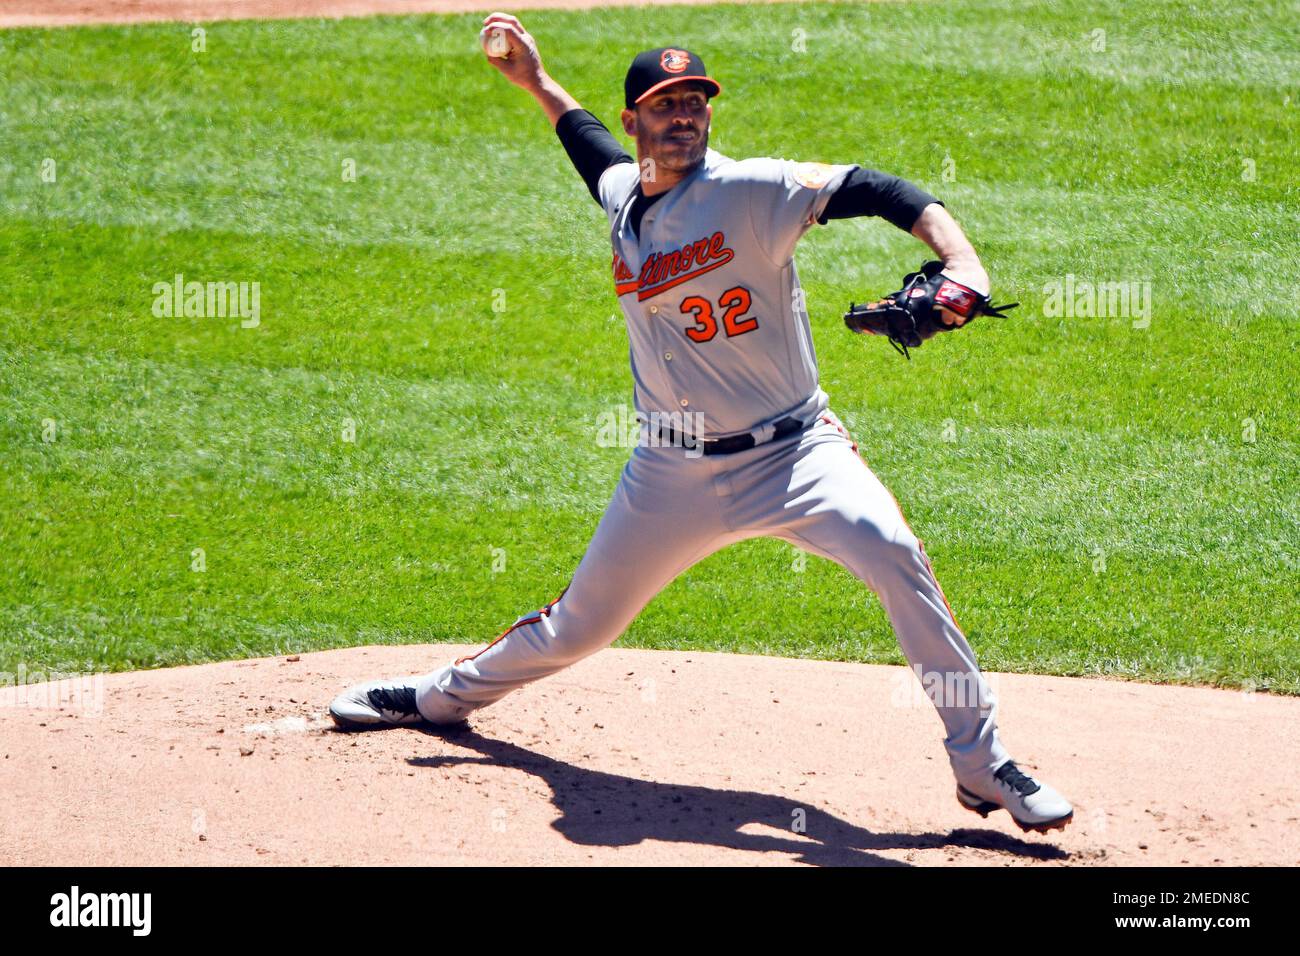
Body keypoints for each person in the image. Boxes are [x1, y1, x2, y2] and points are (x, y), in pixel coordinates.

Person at [329, 12, 1074, 834]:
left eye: (695, 100)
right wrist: (536, 81)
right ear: (636, 120)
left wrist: (963, 261)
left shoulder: (751, 188)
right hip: (671, 471)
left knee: (896, 556)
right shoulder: (623, 194)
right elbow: (587, 150)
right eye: (665, 101)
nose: (684, 114)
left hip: (796, 456)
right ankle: (436, 699)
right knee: (579, 625)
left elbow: (881, 189)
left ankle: (983, 764)